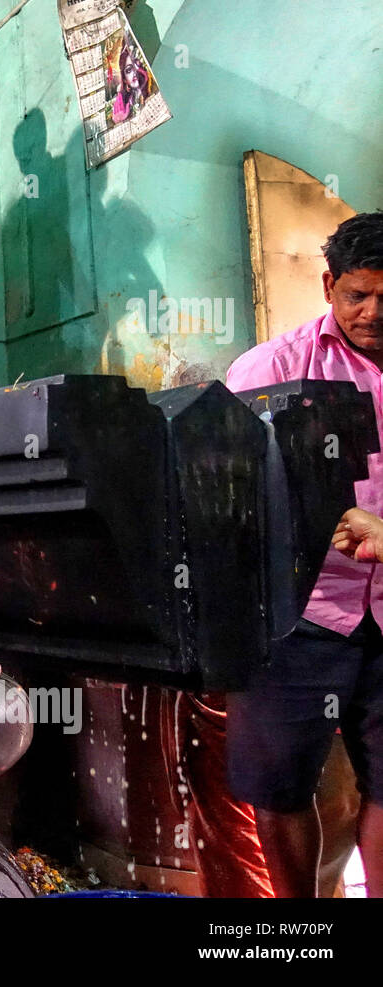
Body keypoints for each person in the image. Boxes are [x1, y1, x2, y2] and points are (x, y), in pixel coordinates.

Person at [225, 210, 383, 896]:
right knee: (282, 787)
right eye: (358, 295)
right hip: (298, 616)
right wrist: (311, 515)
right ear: (328, 286)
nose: (374, 312)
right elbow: (223, 488)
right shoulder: (272, 368)